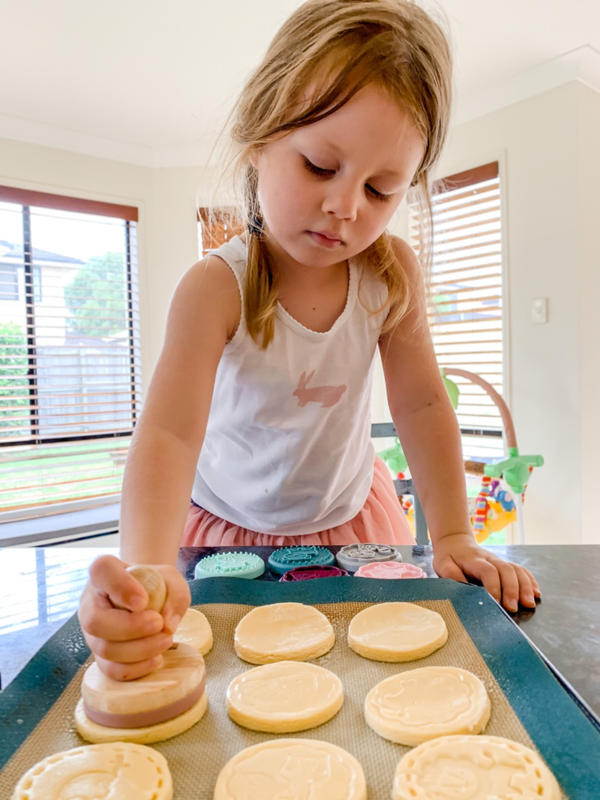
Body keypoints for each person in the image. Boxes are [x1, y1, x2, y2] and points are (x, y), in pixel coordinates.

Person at [79, 0, 540, 680]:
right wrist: (145, 567)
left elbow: (420, 406)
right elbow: (170, 435)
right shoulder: (215, 287)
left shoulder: (390, 276)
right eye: (321, 167)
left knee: (358, 677)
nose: (347, 207)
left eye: (381, 189)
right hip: (227, 526)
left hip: (352, 518)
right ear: (258, 137)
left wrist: (450, 535)